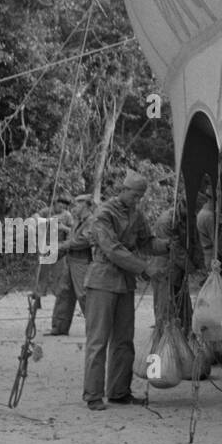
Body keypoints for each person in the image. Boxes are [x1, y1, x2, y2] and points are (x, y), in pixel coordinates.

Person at [81, 170, 163, 410]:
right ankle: (93, 395)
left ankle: (119, 391)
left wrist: (170, 244)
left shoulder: (137, 215)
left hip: (124, 283)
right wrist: (144, 268)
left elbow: (147, 243)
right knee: (98, 340)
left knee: (124, 340)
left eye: (140, 196)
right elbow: (112, 249)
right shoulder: (104, 214)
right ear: (123, 189)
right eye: (135, 194)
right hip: (102, 281)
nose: (137, 200)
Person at [151, 189, 201, 334]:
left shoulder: (191, 218)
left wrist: (201, 266)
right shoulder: (166, 221)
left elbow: (195, 244)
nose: (193, 214)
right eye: (190, 210)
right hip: (164, 270)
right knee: (165, 311)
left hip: (180, 270)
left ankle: (183, 343)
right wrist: (192, 269)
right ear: (182, 205)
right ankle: (163, 345)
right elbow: (175, 249)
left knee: (183, 312)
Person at [48, 190, 97, 335]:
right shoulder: (76, 221)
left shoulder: (92, 221)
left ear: (86, 205)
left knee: (84, 295)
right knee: (63, 292)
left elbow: (84, 240)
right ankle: (59, 327)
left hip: (83, 262)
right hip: (70, 260)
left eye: (78, 204)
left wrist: (64, 246)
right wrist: (55, 254)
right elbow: (70, 240)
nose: (74, 207)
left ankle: (95, 329)